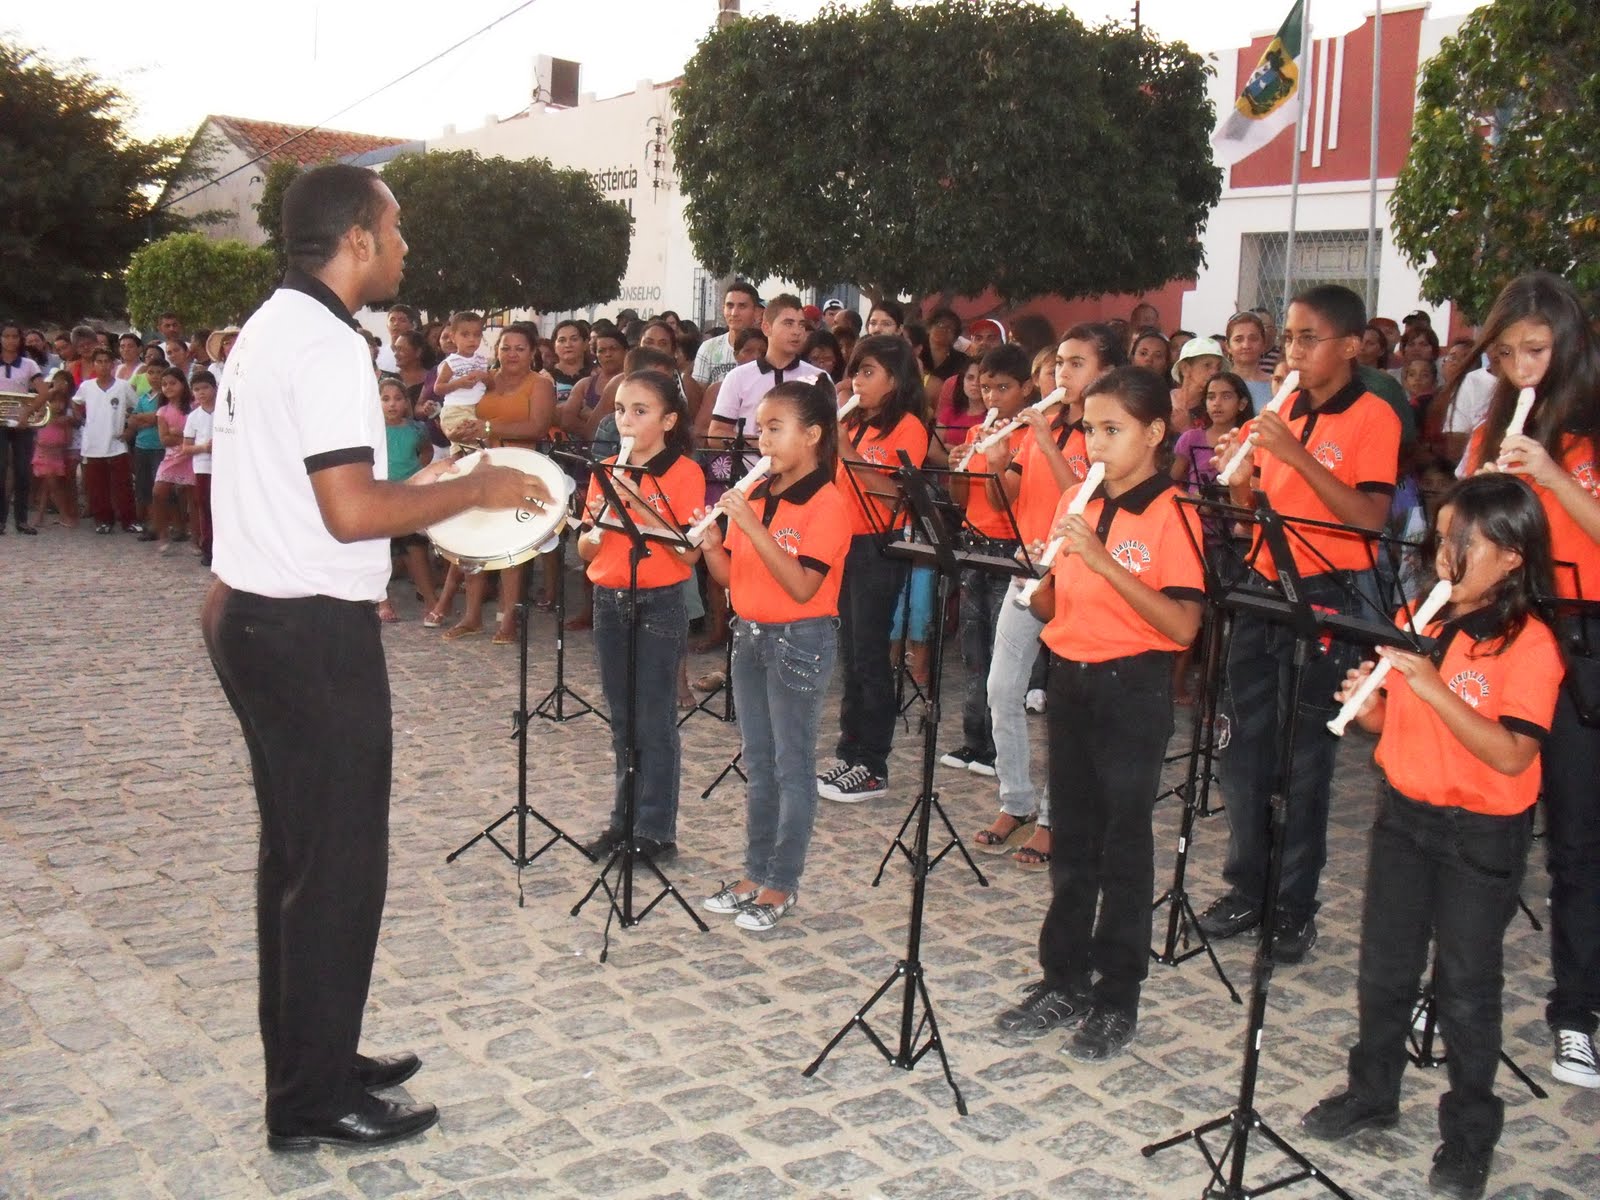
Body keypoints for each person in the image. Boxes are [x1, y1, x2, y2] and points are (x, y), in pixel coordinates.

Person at [204, 162, 551, 1151]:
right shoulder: (319, 345)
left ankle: (317, 1054)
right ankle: (310, 1103)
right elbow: (352, 510)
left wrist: (434, 481)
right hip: (304, 633)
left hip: (262, 617)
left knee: (299, 862)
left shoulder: (276, 325)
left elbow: (311, 491)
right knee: (337, 871)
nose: (405, 248)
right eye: (396, 231)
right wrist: (472, 490)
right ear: (356, 239)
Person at [1300, 474, 1562, 1200]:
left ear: (1511, 555)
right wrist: (1371, 704)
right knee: (1384, 969)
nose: (1444, 556)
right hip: (1405, 815)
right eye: (1441, 539)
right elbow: (1400, 721)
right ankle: (1371, 1092)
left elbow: (1512, 754)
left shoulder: (1530, 644)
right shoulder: (1423, 614)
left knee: (1467, 987)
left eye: (1463, 544)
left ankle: (1471, 1132)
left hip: (1480, 831)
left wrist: (1434, 686)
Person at [993, 365, 1204, 1059]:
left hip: (1132, 690)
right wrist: (1039, 581)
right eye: (1089, 429)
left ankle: (1118, 994)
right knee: (1073, 840)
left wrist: (1107, 562)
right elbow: (1058, 601)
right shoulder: (1078, 502)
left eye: (1112, 431)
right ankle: (1064, 977)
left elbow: (1180, 628)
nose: (1095, 444)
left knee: (1123, 846)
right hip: (1073, 682)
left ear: (1152, 433)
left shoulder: (1174, 515)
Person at [1200, 284, 1401, 962]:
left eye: (1307, 338)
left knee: (1304, 758)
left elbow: (1370, 518)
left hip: (1329, 594)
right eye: (1289, 337)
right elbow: (1250, 503)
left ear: (1350, 346)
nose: (1293, 351)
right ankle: (1245, 886)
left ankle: (1292, 905)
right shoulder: (1284, 411)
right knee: (1243, 747)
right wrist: (1242, 469)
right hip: (1265, 583)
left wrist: (1293, 454)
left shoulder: (1373, 414)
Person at [1457, 271, 1600, 1090]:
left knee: (1578, 839)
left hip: (1583, 638)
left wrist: (1549, 476)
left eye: (1535, 350)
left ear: (1570, 342)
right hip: (1510, 631)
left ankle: (1577, 1010)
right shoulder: (1493, 426)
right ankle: (1452, 990)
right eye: (1506, 353)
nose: (1520, 367)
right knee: (1478, 820)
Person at [696, 380, 850, 929]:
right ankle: (753, 872)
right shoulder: (759, 493)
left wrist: (753, 527)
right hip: (751, 635)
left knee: (792, 766)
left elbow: (803, 586)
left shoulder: (828, 502)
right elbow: (733, 580)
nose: (763, 439)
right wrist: (714, 545)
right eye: (760, 427)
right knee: (757, 763)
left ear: (812, 435)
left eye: (775, 428)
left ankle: (782, 883)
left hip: (799, 640)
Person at [976, 324, 1124, 868]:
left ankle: (1058, 818)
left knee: (1065, 706)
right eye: (1059, 362)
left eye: (1076, 362)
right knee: (1001, 689)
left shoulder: (1109, 432)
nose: (1062, 373)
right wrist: (995, 464)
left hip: (1078, 579)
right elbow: (1008, 497)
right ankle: (1016, 800)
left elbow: (1082, 499)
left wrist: (1040, 440)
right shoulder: (1048, 424)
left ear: (1105, 372)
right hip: (1029, 571)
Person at [577, 369, 706, 861]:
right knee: (622, 719)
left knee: (654, 719)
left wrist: (630, 500)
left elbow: (688, 554)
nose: (625, 421)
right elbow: (589, 548)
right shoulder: (606, 467)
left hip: (658, 601)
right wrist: (588, 533)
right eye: (620, 410)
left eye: (639, 411)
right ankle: (621, 821)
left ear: (669, 420)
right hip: (609, 597)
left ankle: (655, 831)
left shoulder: (684, 472)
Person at [818, 335, 930, 803]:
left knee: (870, 654)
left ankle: (873, 762)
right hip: (844, 544)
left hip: (879, 546)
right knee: (851, 652)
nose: (856, 381)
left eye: (868, 373)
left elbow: (890, 494)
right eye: (857, 371)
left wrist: (844, 449)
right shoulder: (855, 426)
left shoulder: (908, 428)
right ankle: (850, 747)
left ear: (896, 380)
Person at [942, 343, 1038, 774]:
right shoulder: (976, 433)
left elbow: (1004, 503)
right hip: (973, 541)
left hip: (1009, 546)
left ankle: (999, 749)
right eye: (986, 388)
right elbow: (959, 499)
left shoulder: (1029, 436)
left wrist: (995, 460)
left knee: (1003, 654)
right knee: (973, 648)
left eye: (1003, 388)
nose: (993, 397)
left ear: (1027, 388)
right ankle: (973, 739)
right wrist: (957, 466)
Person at [433, 323, 559, 639]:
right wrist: (459, 430)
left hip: (519, 468)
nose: (511, 354)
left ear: (532, 352)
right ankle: (471, 616)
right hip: (480, 465)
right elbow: (457, 409)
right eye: (505, 347)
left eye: (519, 348)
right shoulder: (484, 380)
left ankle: (507, 620)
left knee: (510, 547)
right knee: (474, 539)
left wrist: (488, 428)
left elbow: (537, 426)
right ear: (496, 350)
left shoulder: (540, 384)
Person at [707, 294, 829, 439]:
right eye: (788, 323)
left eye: (801, 325)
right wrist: (759, 443)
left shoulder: (819, 378)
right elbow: (716, 434)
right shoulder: (738, 377)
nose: (797, 331)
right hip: (750, 461)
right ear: (766, 328)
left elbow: (830, 433)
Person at [376, 378, 437, 622]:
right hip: (382, 494)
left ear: (406, 402)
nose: (392, 404)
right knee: (380, 549)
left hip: (409, 493)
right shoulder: (372, 430)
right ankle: (383, 601)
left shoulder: (416, 429)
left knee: (416, 548)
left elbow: (427, 450)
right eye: (385, 399)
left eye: (398, 398)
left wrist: (419, 472)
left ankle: (431, 600)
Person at [75, 347, 138, 532]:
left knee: (123, 484)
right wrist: (82, 421)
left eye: (106, 361)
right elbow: (76, 402)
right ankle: (103, 521)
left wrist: (129, 429)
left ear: (112, 364)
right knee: (97, 486)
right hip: (93, 443)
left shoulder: (122, 386)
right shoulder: (86, 386)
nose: (103, 365)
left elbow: (137, 407)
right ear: (94, 364)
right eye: (99, 361)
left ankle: (129, 521)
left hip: (116, 442)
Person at [1, 321, 46, 534]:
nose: (10, 340)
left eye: (14, 337)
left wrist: (27, 412)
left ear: (20, 340)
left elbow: (44, 392)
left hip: (21, 423)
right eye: (6, 336)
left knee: (22, 471)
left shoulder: (29, 364)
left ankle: (21, 520)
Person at [150, 368, 196, 553]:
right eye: (164, 384)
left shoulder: (194, 408)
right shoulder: (163, 411)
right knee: (158, 493)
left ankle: (197, 537)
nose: (168, 387)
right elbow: (164, 439)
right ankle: (162, 535)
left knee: (194, 500)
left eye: (172, 383)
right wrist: (185, 437)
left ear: (183, 384)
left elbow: (198, 435)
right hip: (172, 458)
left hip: (193, 456)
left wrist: (179, 434)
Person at [432, 312, 490, 443]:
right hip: (456, 409)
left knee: (480, 441)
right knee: (468, 441)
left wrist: (483, 376)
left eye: (477, 335)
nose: (471, 339)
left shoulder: (482, 360)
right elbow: (438, 388)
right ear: (453, 337)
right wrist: (458, 383)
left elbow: (491, 385)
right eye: (465, 335)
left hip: (477, 408)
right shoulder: (451, 362)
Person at [692, 281, 762, 389]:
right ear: (723, 309)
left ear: (756, 311)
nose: (734, 313)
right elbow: (698, 394)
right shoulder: (708, 348)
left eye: (742, 306)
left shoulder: (766, 349)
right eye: (730, 306)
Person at [28, 385, 75, 529]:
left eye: (61, 402)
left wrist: (59, 445)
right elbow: (33, 433)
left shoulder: (65, 420)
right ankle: (64, 515)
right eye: (55, 401)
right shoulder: (42, 416)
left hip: (56, 455)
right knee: (51, 484)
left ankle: (41, 516)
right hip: (42, 453)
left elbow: (69, 440)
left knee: (47, 487)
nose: (58, 405)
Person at [184, 370, 217, 567]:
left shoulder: (225, 411)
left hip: (224, 467)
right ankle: (208, 548)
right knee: (205, 508)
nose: (201, 393)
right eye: (197, 389)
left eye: (205, 388)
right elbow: (186, 447)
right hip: (203, 467)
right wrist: (204, 447)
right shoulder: (194, 417)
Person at [1169, 337, 1224, 435]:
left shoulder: (1214, 409)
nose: (1214, 372)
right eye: (1207, 365)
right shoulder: (1163, 399)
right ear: (1185, 368)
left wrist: (1186, 427)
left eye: (1218, 367)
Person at [1224, 311, 1274, 406]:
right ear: (1228, 346)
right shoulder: (1217, 384)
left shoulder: (1276, 384)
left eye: (1253, 339)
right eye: (1238, 339)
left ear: (1263, 343)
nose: (1246, 345)